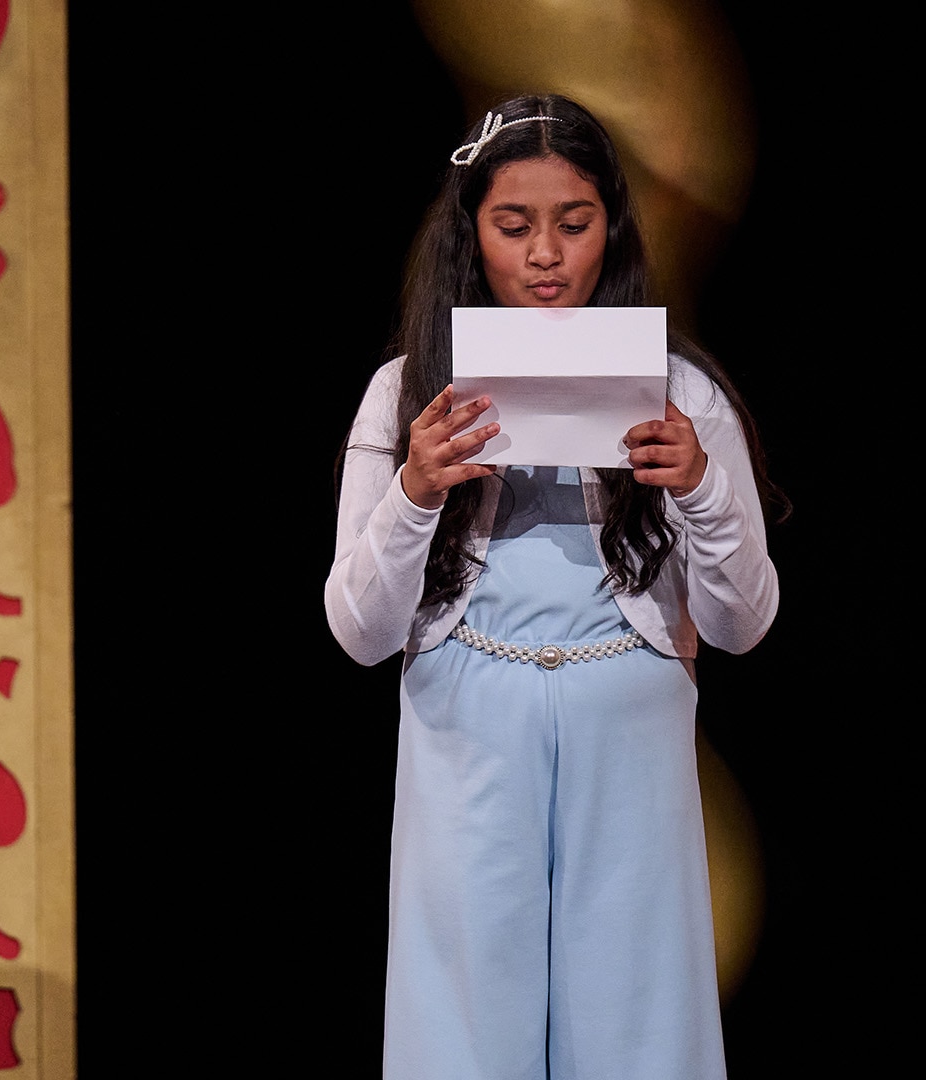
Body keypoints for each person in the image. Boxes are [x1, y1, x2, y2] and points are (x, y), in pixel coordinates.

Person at [324, 96, 780, 1079]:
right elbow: (359, 631)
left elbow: (744, 623)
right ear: (472, 234)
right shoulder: (406, 393)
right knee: (464, 1019)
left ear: (610, 228)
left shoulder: (682, 393)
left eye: (573, 223)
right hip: (467, 730)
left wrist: (700, 486)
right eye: (513, 224)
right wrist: (415, 490)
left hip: (629, 728)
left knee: (637, 1019)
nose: (544, 255)